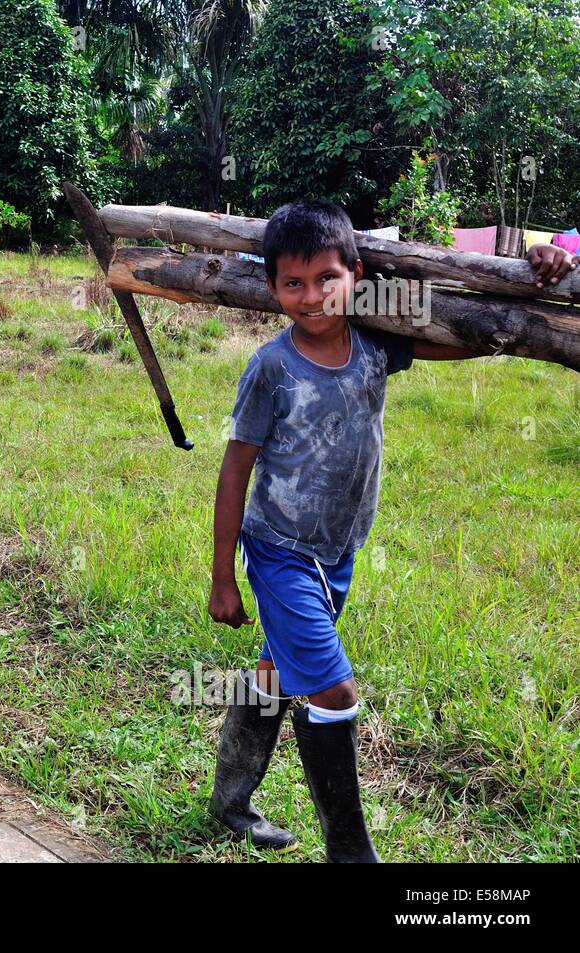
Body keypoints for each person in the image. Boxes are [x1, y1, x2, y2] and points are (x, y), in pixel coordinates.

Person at [206, 200, 575, 862]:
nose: (311, 296)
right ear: (271, 287)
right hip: (278, 551)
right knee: (333, 689)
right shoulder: (271, 367)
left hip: (337, 554)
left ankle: (230, 801)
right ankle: (350, 852)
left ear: (357, 272)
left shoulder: (377, 347)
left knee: (277, 672)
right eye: (292, 282)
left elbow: (476, 329)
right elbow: (234, 472)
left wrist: (536, 267)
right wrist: (223, 576)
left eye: (326, 277)